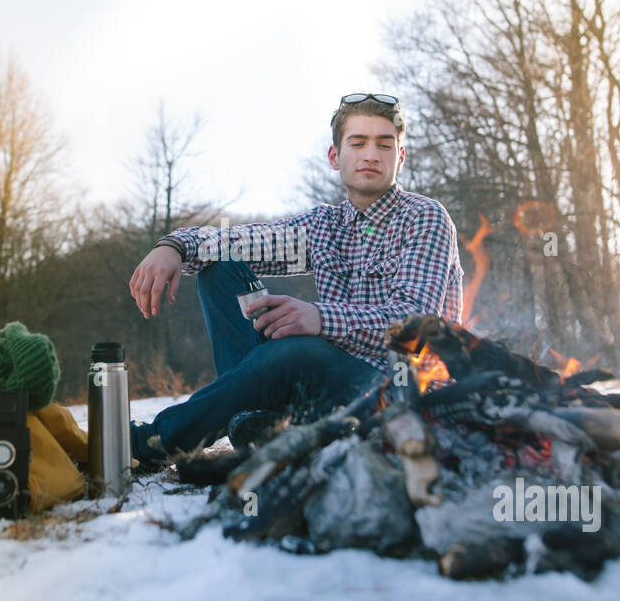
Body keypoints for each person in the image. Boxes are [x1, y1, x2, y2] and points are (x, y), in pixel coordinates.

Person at [127, 92, 465, 466]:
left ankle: (149, 443)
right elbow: (239, 241)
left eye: (384, 145)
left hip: (398, 396)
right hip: (321, 392)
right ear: (335, 157)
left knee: (296, 351)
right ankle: (255, 422)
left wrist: (319, 318)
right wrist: (173, 246)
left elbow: (414, 327)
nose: (371, 154)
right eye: (358, 143)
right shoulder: (324, 226)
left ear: (400, 157)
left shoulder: (425, 218)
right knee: (219, 267)